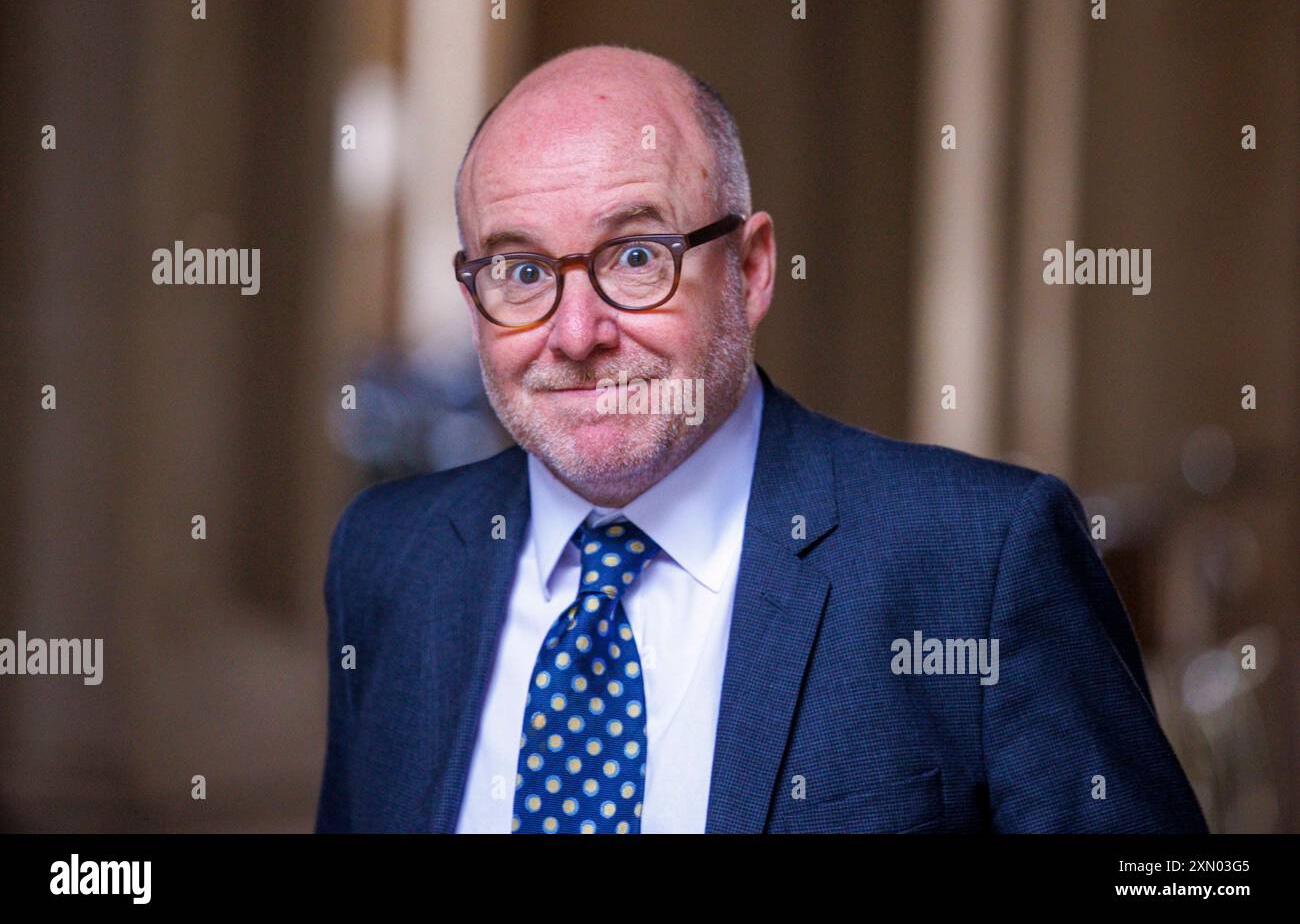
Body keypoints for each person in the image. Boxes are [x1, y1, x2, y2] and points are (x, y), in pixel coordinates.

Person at [314, 44, 1206, 834]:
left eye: (635, 257)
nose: (576, 332)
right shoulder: (389, 558)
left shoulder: (981, 560)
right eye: (520, 271)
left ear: (750, 270)